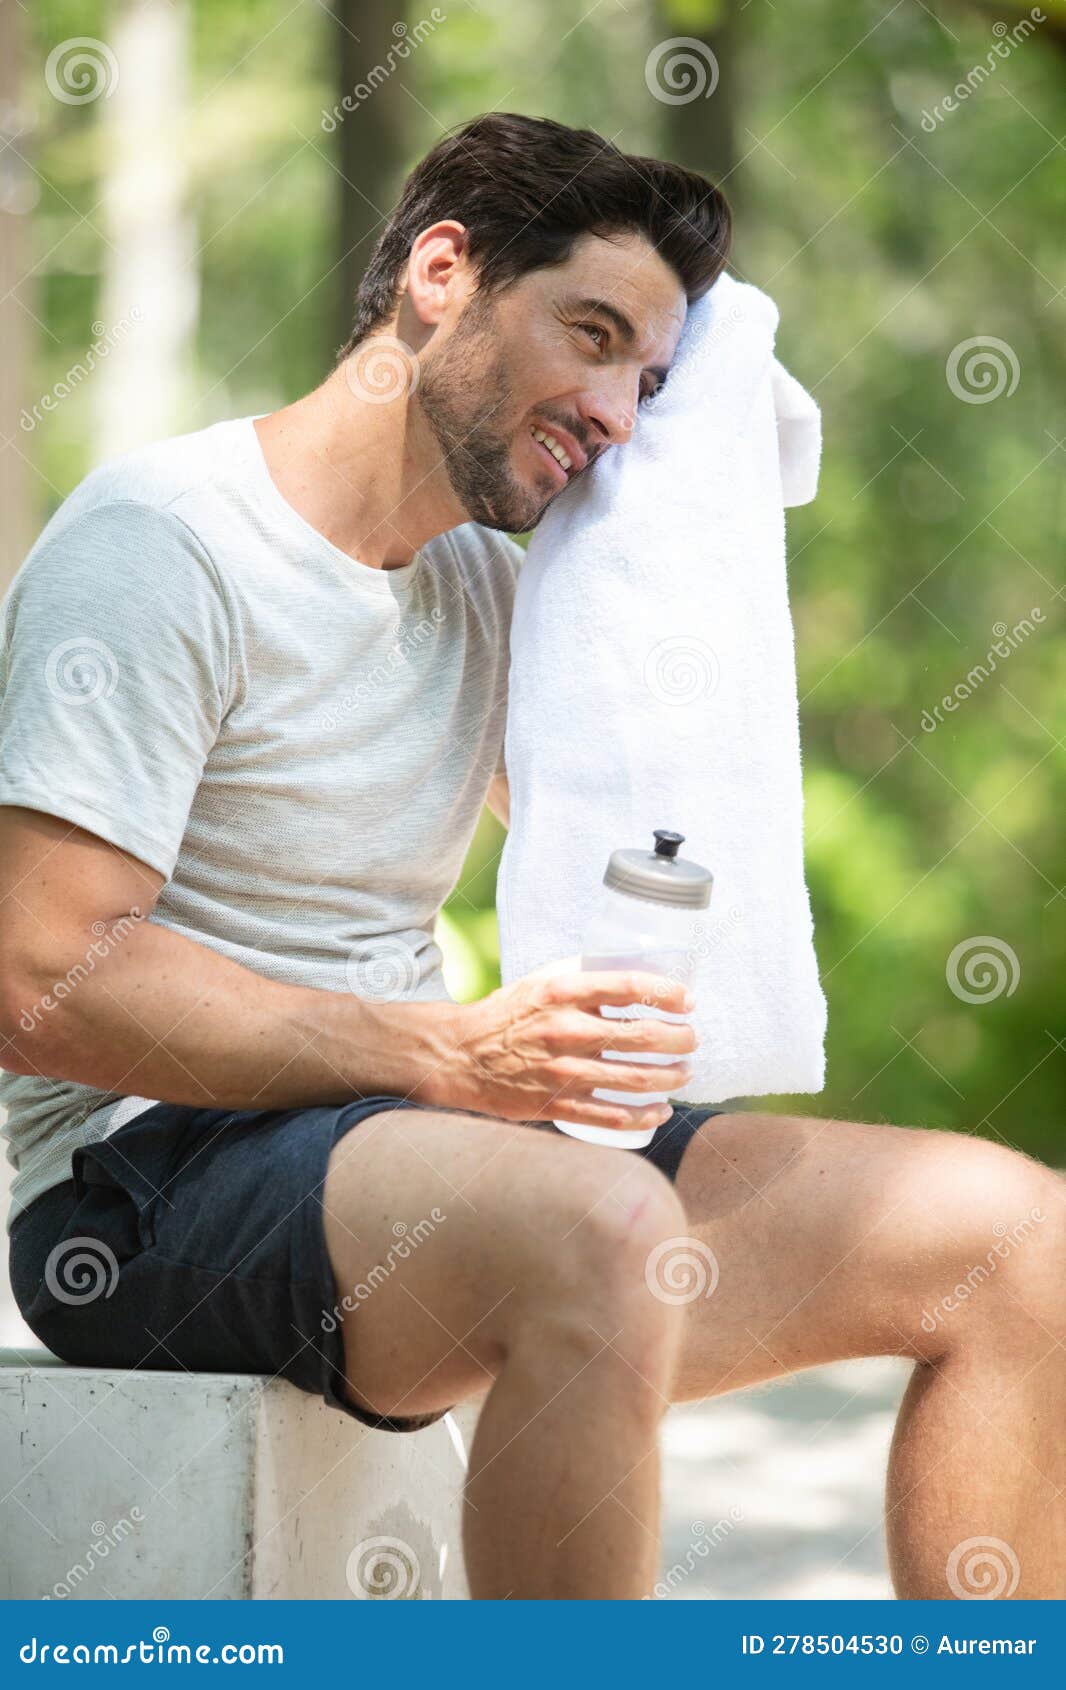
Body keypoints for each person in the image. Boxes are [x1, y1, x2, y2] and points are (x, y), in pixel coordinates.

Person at [1, 113, 1062, 1602]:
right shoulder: (164, 540)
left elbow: (629, 823)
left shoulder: (490, 595)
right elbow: (40, 976)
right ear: (441, 272)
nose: (618, 413)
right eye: (592, 334)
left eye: (650, 381)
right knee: (603, 1229)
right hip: (144, 1182)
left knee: (1021, 1240)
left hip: (422, 1144)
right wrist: (443, 1052)